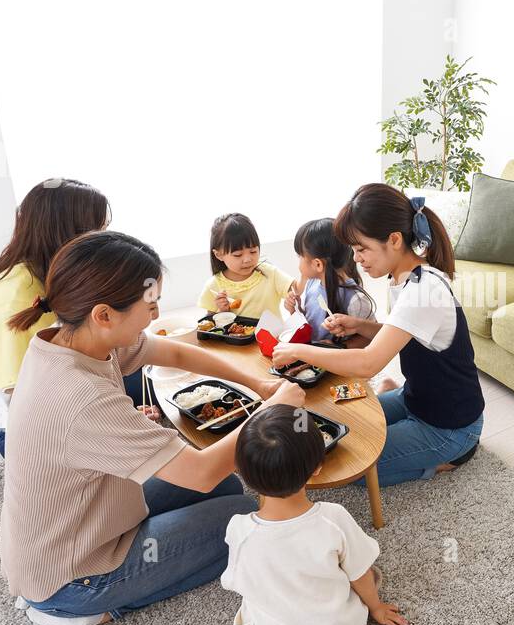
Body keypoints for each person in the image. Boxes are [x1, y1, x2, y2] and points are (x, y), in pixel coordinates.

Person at [0, 229, 304, 625]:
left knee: (228, 486)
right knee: (245, 518)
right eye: (150, 305)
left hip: (89, 518)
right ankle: (91, 608)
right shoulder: (82, 397)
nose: (156, 315)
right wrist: (272, 411)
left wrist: (260, 386)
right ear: (104, 314)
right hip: (70, 577)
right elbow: (199, 472)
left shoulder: (72, 341)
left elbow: (174, 351)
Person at [271, 184, 484, 486]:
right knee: (338, 426)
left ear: (394, 240)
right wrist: (361, 326)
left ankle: (443, 461)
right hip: (417, 399)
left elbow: (368, 363)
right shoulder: (406, 279)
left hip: (449, 426)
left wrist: (298, 351)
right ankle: (392, 393)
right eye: (354, 250)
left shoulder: (424, 290)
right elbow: (404, 333)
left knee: (351, 467)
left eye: (362, 249)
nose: (356, 259)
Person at [220, 404, 406, 625]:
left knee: (255, 606)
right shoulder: (333, 518)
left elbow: (237, 582)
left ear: (240, 470)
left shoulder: (238, 530)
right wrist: (376, 608)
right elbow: (359, 574)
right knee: (370, 574)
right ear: (317, 467)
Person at [0, 177, 109, 456]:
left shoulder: (42, 271)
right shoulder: (10, 302)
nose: (104, 241)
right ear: (68, 232)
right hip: (26, 432)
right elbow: (26, 401)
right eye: (98, 232)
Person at [283, 217, 376, 342]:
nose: (298, 261)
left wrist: (338, 347)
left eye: (299, 256)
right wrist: (295, 310)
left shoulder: (355, 300)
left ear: (318, 265)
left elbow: (372, 338)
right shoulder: (312, 283)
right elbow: (311, 324)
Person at [197, 212, 294, 320]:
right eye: (238, 255)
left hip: (273, 335)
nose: (248, 259)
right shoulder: (213, 286)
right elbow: (210, 324)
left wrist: (293, 297)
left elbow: (295, 289)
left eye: (253, 251)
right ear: (219, 255)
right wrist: (222, 311)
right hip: (235, 336)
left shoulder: (269, 273)